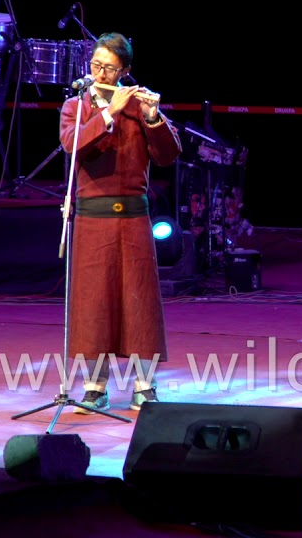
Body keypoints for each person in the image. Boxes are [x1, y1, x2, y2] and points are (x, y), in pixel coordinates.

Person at [58, 32, 182, 414]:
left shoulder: (138, 105)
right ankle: (94, 388)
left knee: (139, 301)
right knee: (94, 304)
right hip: (93, 218)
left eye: (110, 68)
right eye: (96, 66)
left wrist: (152, 117)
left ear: (125, 71)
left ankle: (145, 387)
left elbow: (168, 156)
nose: (101, 73)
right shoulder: (75, 107)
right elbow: (72, 144)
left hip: (134, 218)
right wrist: (108, 112)